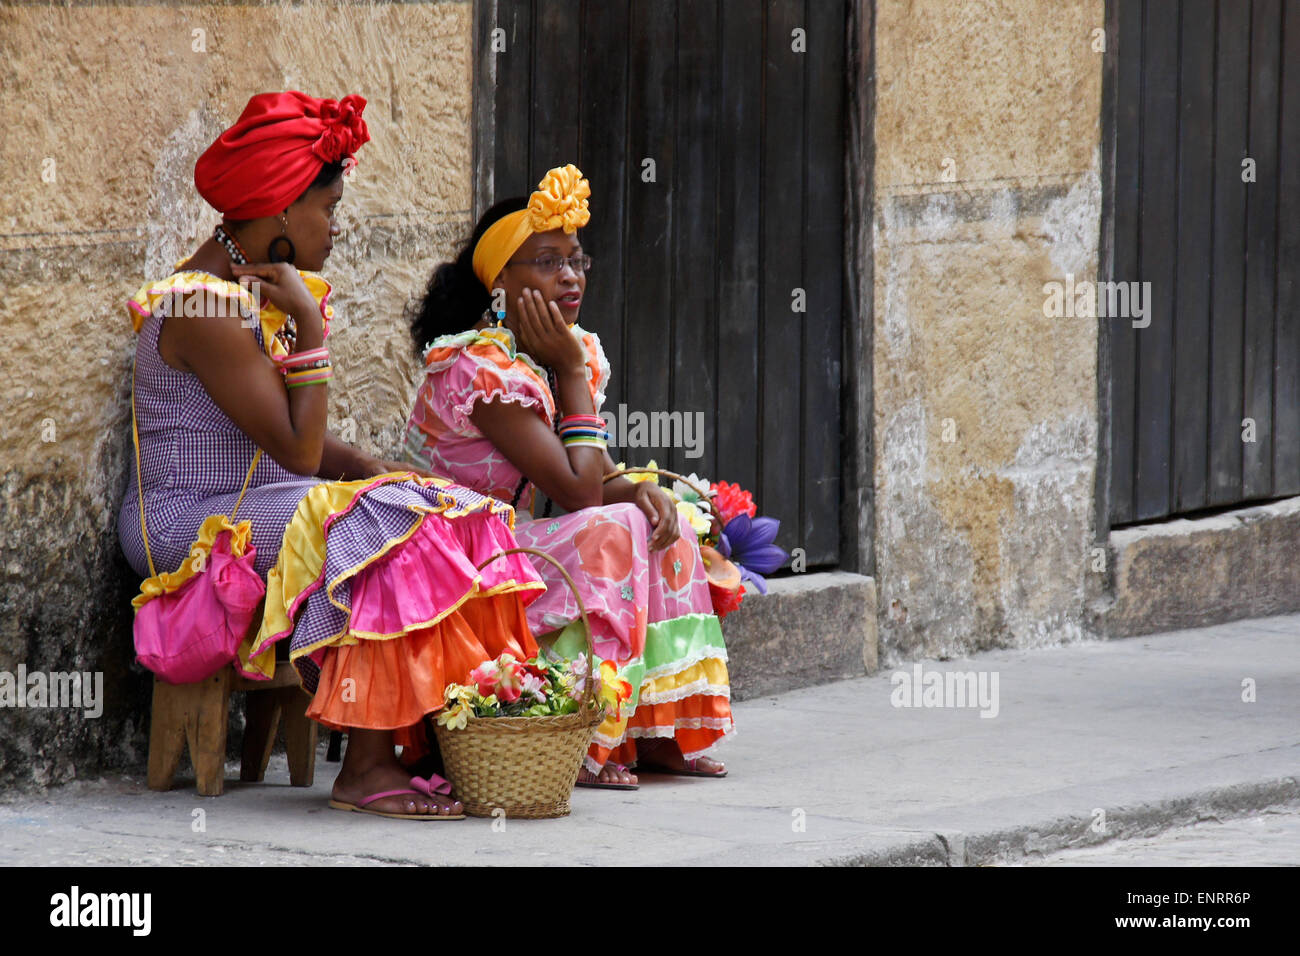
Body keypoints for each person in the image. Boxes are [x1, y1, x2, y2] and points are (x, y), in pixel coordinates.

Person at [118, 91, 545, 820]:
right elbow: (298, 445)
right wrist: (312, 330)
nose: (337, 228)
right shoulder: (204, 309)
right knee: (378, 527)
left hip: (263, 504)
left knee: (440, 509)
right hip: (186, 524)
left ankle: (443, 738)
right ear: (281, 211)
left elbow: (303, 451)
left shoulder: (245, 297)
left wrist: (386, 473)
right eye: (329, 208)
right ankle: (368, 766)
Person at [403, 164, 734, 788]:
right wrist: (572, 372)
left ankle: (652, 732)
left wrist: (642, 490)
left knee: (665, 521)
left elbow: (599, 476)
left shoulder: (547, 355)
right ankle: (581, 735)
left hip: (507, 547)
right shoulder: (481, 369)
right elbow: (577, 491)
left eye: (577, 260)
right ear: (499, 281)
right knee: (608, 532)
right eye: (547, 261)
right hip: (454, 560)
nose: (570, 276)